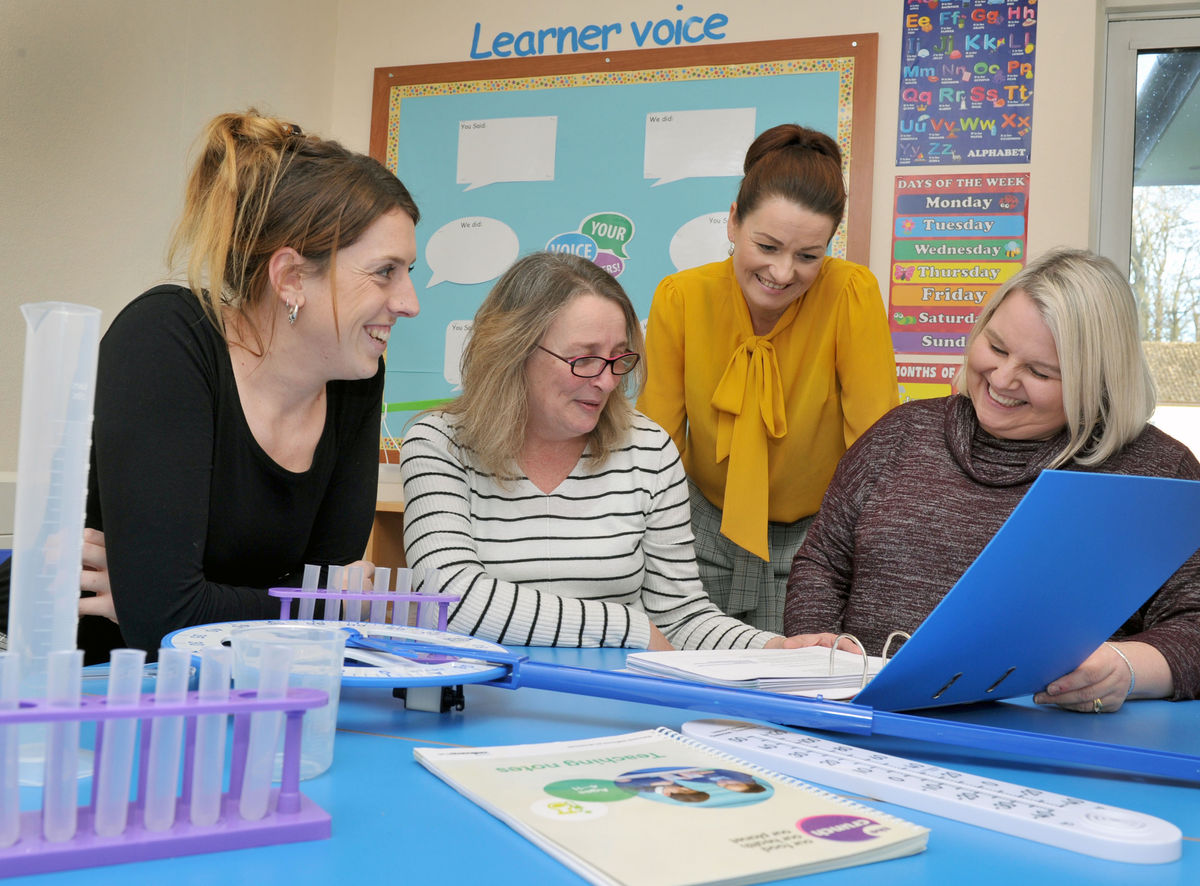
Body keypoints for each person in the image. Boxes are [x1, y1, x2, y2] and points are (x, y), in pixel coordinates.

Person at [782, 247, 1200, 711]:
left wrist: (1127, 667)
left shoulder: (1160, 472)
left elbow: (1194, 624)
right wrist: (815, 649)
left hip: (1048, 742)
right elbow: (822, 562)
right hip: (866, 718)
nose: (1002, 379)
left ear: (1097, 383)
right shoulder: (900, 433)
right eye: (996, 347)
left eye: (1039, 371)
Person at [76, 109, 422, 661]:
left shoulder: (355, 377)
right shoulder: (169, 339)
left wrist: (185, 602)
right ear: (289, 277)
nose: (409, 303)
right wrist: (314, 609)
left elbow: (325, 613)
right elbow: (164, 623)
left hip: (243, 688)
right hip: (87, 685)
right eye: (385, 271)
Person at [399, 251, 805, 650]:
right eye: (585, 359)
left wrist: (774, 650)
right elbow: (450, 600)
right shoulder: (439, 443)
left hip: (615, 705)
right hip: (483, 700)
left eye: (618, 358)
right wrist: (628, 627)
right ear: (514, 350)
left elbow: (680, 617)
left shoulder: (649, 450)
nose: (608, 382)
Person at [637, 124, 899, 633]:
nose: (782, 273)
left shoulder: (850, 293)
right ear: (733, 222)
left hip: (814, 542)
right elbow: (657, 440)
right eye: (768, 246)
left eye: (808, 256)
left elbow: (874, 446)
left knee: (794, 695)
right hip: (698, 530)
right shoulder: (681, 297)